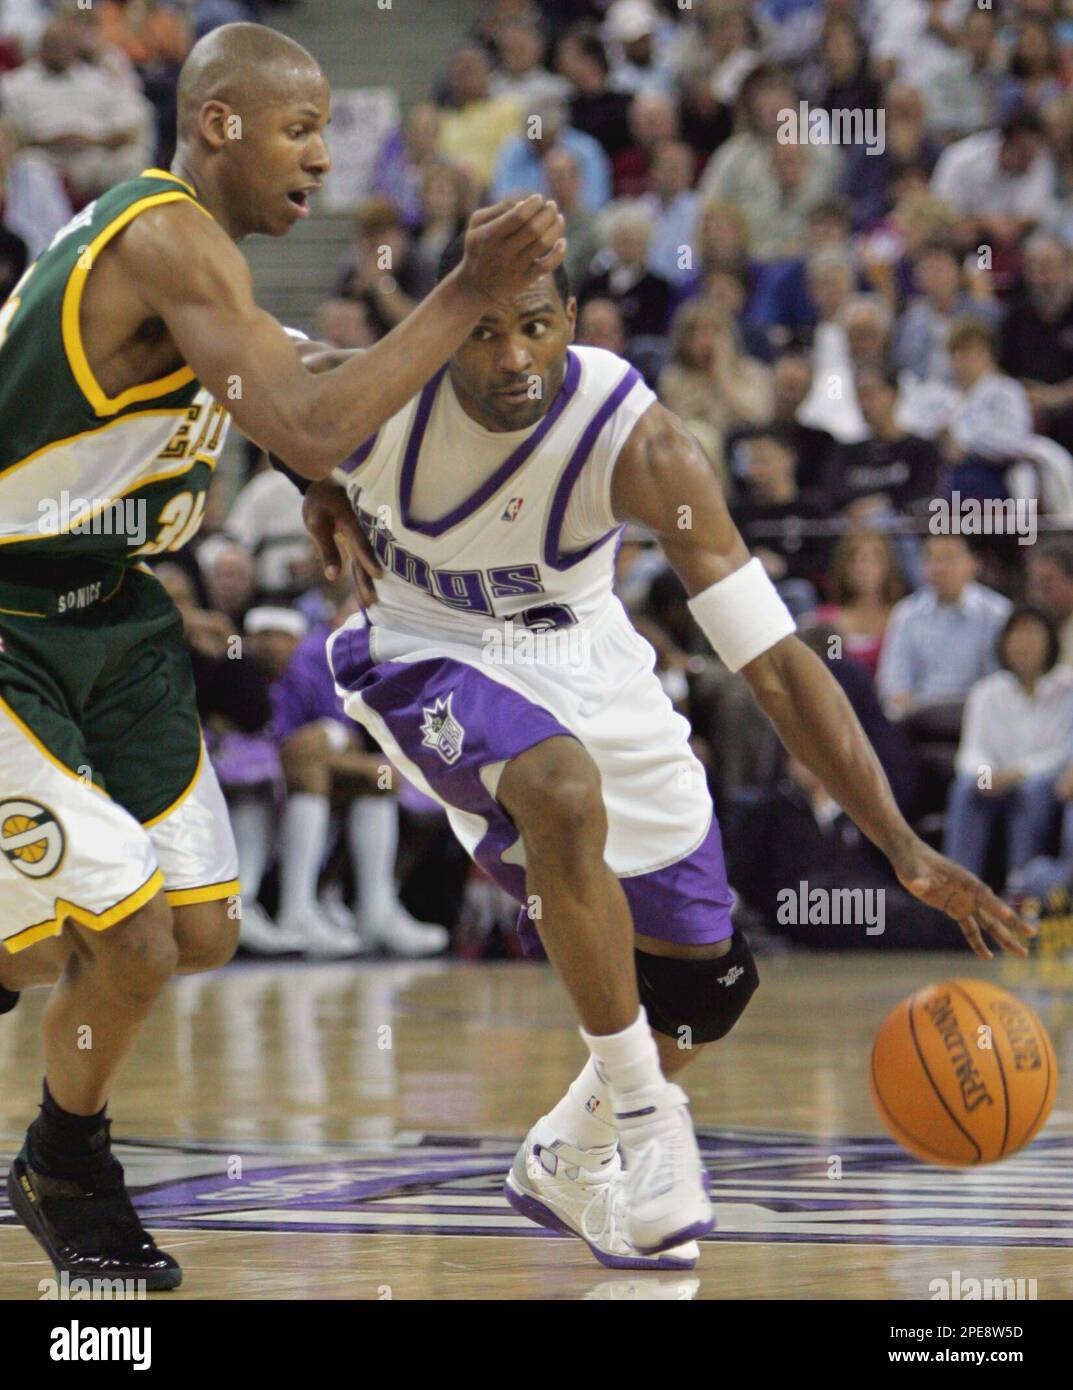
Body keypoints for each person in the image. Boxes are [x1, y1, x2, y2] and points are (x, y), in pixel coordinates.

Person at [280, 236, 1031, 1272]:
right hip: (423, 645)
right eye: (482, 328)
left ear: (576, 327)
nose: (510, 357)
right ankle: (644, 1117)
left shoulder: (642, 444)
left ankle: (564, 1150)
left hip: (585, 651)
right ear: (442, 325)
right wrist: (313, 475)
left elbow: (773, 663)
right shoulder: (372, 401)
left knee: (707, 987)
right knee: (557, 791)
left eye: (535, 327)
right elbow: (246, 376)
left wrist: (900, 846)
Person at [0, 20, 566, 1289]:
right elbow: (306, 400)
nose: (321, 154)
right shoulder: (159, 234)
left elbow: (269, 386)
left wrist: (309, 467)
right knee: (130, 942)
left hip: (113, 611)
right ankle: (63, 1163)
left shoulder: (194, 252)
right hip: (8, 614)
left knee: (199, 930)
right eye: (300, 127)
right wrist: (464, 290)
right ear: (218, 124)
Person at [945, 606, 1073, 890]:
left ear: (1050, 642)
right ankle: (959, 886)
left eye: (1031, 636)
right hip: (996, 780)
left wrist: (1019, 773)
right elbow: (972, 751)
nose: (1022, 644)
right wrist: (986, 775)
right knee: (967, 788)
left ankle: (1020, 886)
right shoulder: (986, 692)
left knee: (1031, 790)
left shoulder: (1067, 689)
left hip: (1042, 783)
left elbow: (1063, 751)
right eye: (1015, 636)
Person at [877, 535, 1012, 718]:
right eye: (932, 559)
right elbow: (894, 685)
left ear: (973, 564)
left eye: (949, 558)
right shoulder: (906, 614)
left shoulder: (998, 613)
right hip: (920, 721)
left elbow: (1001, 683)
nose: (940, 568)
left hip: (981, 718)